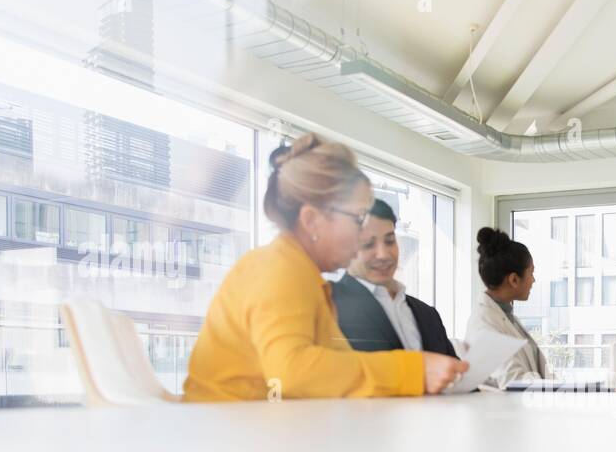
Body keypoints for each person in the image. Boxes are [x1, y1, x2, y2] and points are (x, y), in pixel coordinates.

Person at [183, 134, 466, 401]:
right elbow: (290, 372)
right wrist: (411, 370)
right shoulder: (279, 270)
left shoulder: (302, 274)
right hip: (225, 437)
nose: (361, 233)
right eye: (357, 218)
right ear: (312, 221)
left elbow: (335, 368)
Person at [330, 199, 457, 358]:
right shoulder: (329, 310)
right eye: (368, 244)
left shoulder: (428, 315)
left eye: (390, 241)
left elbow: (456, 373)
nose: (383, 254)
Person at [465, 226, 547, 388]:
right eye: (531, 273)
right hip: (504, 410)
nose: (533, 280)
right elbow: (512, 380)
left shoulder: (503, 314)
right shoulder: (483, 323)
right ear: (514, 279)